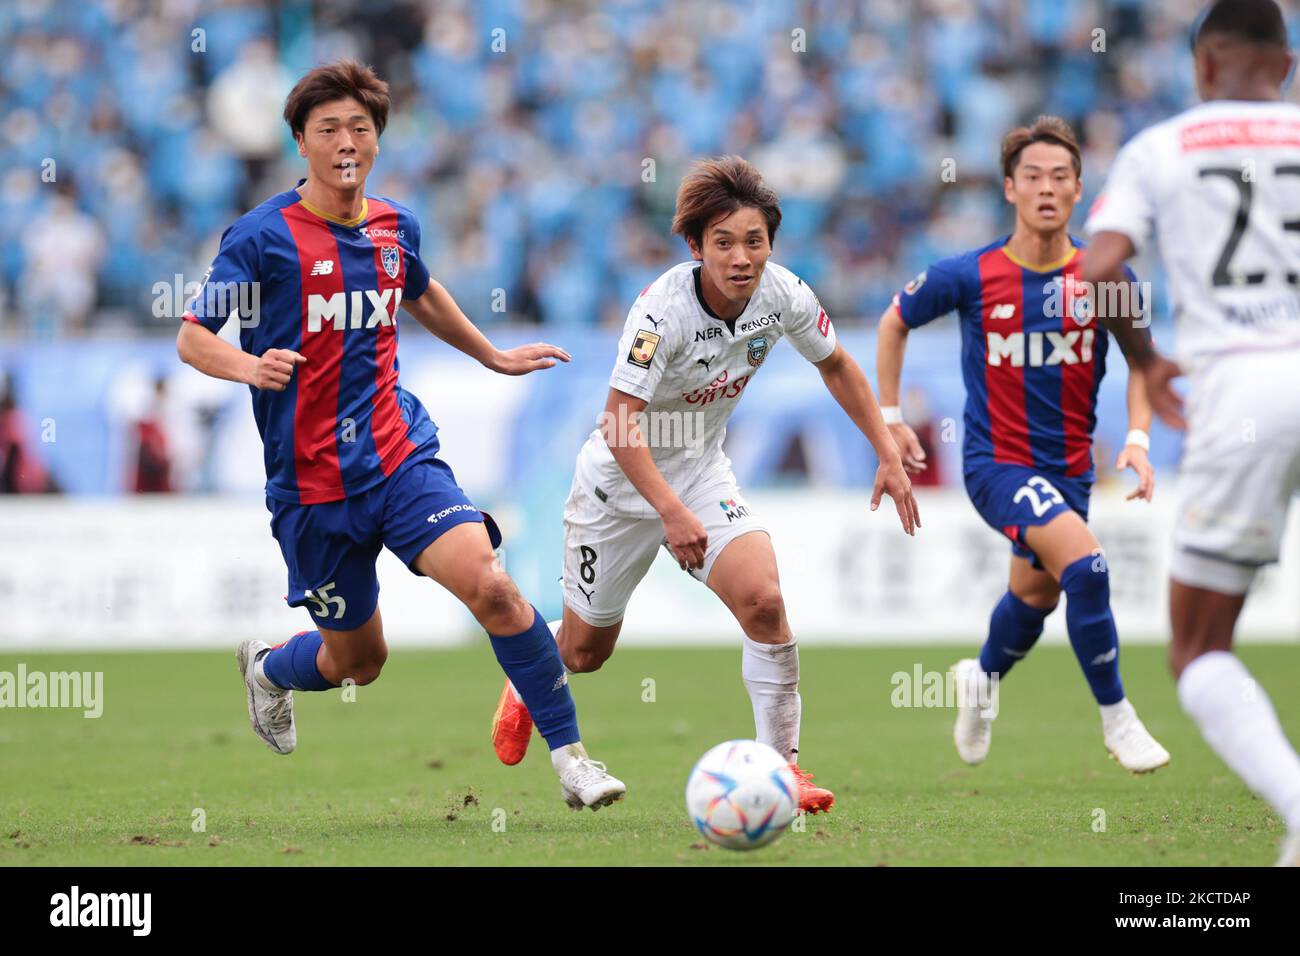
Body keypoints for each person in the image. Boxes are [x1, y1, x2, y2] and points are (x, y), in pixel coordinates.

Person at [176, 59, 625, 812]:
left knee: (494, 587)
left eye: (360, 127)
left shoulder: (392, 225)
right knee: (359, 661)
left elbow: (418, 290)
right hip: (313, 487)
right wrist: (250, 366)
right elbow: (193, 338)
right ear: (300, 143)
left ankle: (574, 760)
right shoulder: (260, 239)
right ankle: (269, 670)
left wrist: (492, 353)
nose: (346, 141)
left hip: (396, 454)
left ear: (378, 140)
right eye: (328, 129)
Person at [490, 156, 920, 814]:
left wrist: (886, 448)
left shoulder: (785, 295)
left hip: (698, 470)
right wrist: (668, 513)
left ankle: (784, 769)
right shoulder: (660, 314)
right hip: (618, 483)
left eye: (755, 240)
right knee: (584, 653)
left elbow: (837, 366)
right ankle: (530, 675)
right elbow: (619, 422)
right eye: (723, 242)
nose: (742, 257)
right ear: (695, 247)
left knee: (765, 602)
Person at [877, 116, 1170, 774]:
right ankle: (1118, 719)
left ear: (1078, 190)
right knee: (1089, 570)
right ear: (1009, 188)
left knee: (1036, 599)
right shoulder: (969, 274)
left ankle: (980, 681)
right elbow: (895, 320)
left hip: (1068, 474)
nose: (1046, 188)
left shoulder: (1105, 278)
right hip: (994, 465)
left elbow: (1145, 364)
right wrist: (890, 416)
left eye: (1059, 177)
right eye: (1032, 177)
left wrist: (1140, 439)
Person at [1083, 0, 1300, 865]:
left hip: (1241, 387)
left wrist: (1148, 357)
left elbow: (1099, 268)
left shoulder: (1160, 149)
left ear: (1203, 66)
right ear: (1283, 69)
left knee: (1198, 646)